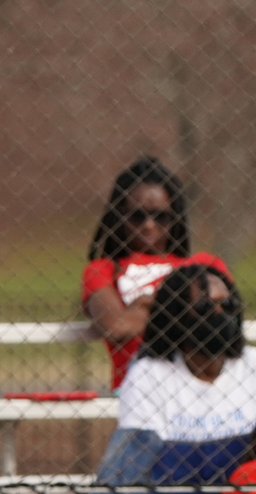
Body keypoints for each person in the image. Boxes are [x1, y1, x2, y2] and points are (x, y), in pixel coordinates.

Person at [80, 157, 232, 387]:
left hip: (199, 389)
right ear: (120, 215)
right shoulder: (104, 269)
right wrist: (187, 306)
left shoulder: (205, 263)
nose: (149, 225)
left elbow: (223, 324)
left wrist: (143, 305)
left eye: (160, 216)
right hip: (135, 390)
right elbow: (116, 327)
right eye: (137, 216)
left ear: (175, 216)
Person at [116, 263, 256, 441]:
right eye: (205, 307)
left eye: (228, 304)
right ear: (177, 316)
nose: (219, 312)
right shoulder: (148, 376)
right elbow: (139, 452)